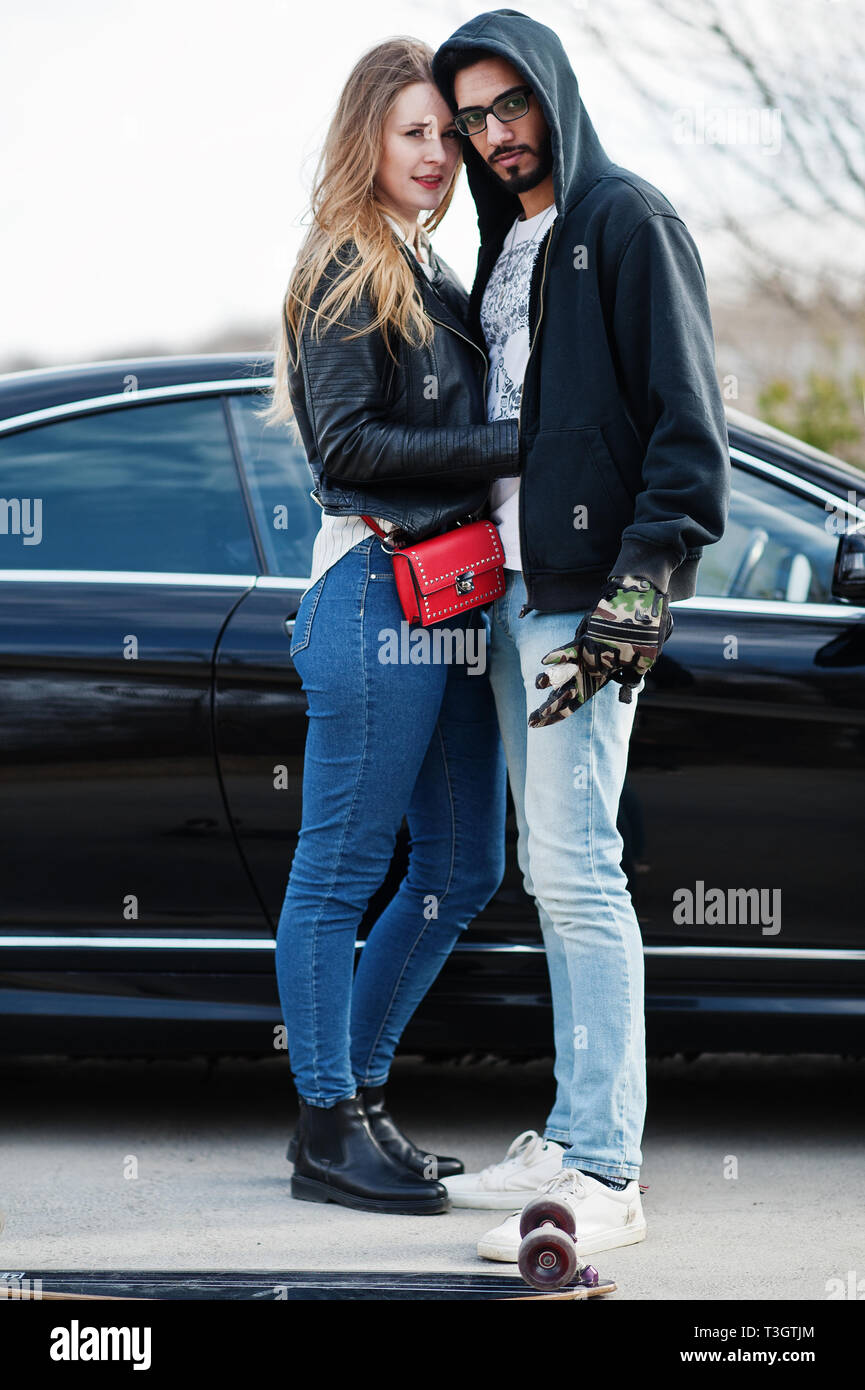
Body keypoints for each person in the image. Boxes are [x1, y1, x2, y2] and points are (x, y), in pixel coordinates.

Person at [431, 10, 730, 1258]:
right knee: (547, 872)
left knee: (578, 868)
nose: (496, 136)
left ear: (553, 93)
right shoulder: (511, 250)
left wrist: (637, 592)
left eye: (512, 107)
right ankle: (568, 1127)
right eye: (472, 120)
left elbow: (687, 436)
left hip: (585, 599)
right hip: (507, 592)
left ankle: (605, 1171)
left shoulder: (626, 223)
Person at [260, 36, 521, 1215]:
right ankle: (325, 1126)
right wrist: (515, 447)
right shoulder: (342, 265)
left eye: (446, 135)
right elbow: (348, 449)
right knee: (340, 871)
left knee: (463, 862)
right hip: (373, 593)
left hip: (446, 598)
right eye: (412, 131)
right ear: (367, 136)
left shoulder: (431, 272)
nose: (437, 154)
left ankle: (358, 1099)